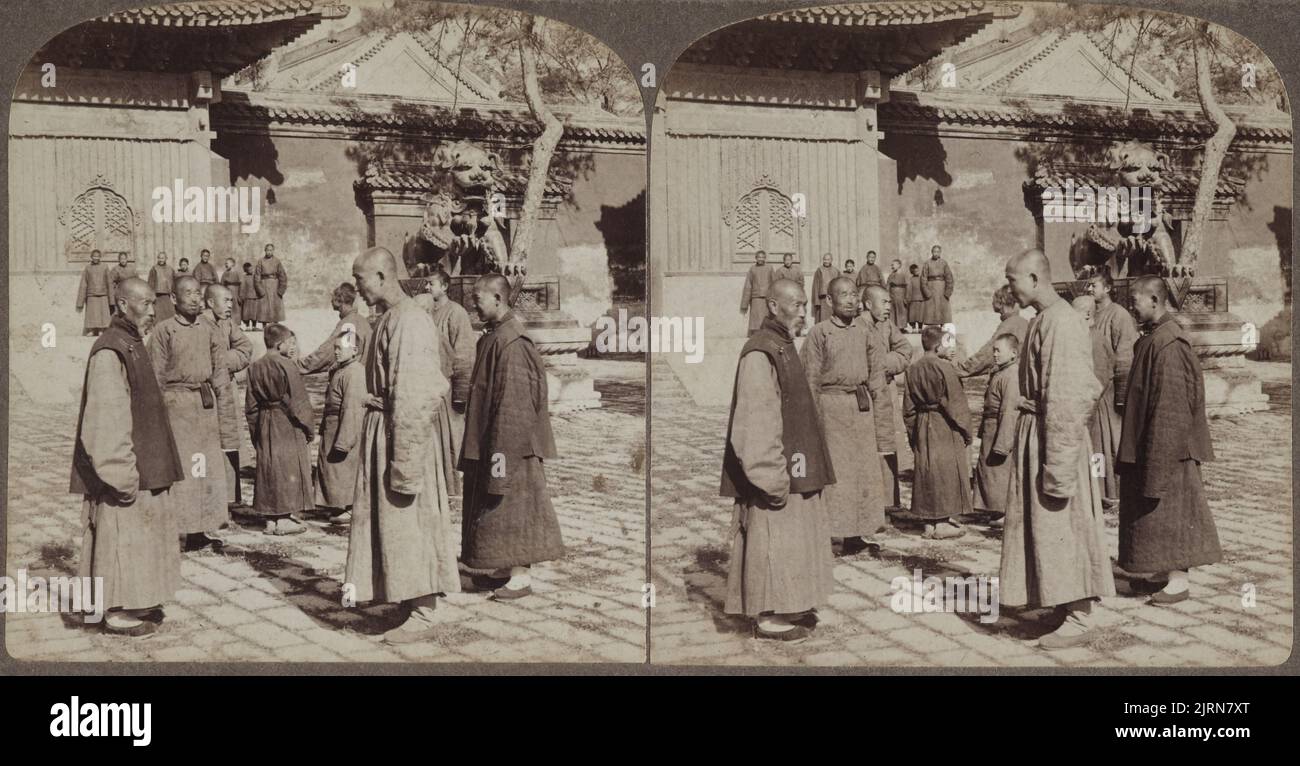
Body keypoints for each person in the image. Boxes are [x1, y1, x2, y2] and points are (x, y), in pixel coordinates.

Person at [344, 247, 460, 644]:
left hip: (401, 435)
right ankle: (408, 597)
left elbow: (412, 394)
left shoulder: (410, 321)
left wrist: (405, 461)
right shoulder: (389, 318)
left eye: (360, 279)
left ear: (379, 275)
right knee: (393, 524)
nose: (357, 288)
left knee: (409, 520)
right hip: (385, 431)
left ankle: (425, 609)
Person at [999, 249, 1114, 649]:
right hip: (1038, 434)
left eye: (1013, 279)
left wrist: (1059, 466)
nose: (1009, 287)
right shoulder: (1043, 319)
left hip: (1055, 437)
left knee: (1063, 524)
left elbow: (1068, 398)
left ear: (1033, 278)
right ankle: (1061, 602)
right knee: (1047, 529)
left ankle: (1080, 615)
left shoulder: (1061, 323)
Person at [721, 279, 835, 642]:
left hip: (795, 469)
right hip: (775, 477)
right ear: (772, 305)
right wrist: (770, 477)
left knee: (795, 541)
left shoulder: (784, 345)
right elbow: (755, 423)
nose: (803, 311)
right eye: (796, 305)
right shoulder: (760, 352)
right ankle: (769, 614)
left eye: (805, 305)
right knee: (773, 541)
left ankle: (792, 603)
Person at [70, 278, 184, 636]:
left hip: (146, 467)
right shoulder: (110, 350)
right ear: (122, 304)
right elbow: (105, 422)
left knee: (140, 539)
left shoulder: (132, 342)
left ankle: (138, 599)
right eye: (145, 303)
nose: (153, 310)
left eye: (154, 303)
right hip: (125, 475)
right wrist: (120, 475)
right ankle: (116, 611)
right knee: (119, 539)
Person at [459, 274, 566, 599]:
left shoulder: (513, 344)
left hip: (511, 447)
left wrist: (500, 458)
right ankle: (504, 567)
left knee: (514, 506)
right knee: (496, 508)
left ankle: (520, 577)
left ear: (497, 298)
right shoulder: (495, 336)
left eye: (478, 298)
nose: (473, 304)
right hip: (495, 443)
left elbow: (515, 408)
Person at [1117, 276, 1221, 603]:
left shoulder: (1170, 344)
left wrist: (1158, 457)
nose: (1131, 305)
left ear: (1154, 300)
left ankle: (1178, 581)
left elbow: (1172, 410)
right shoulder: (1154, 337)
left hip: (1170, 448)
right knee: (1155, 514)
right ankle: (1162, 572)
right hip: (1153, 443)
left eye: (1135, 299)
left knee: (1174, 513)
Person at [801, 277, 890, 554]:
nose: (850, 300)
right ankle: (828, 536)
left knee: (863, 473)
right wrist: (813, 426)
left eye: (854, 294)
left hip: (860, 408)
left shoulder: (866, 332)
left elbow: (877, 379)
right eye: (843, 295)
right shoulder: (819, 333)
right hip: (831, 409)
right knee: (836, 475)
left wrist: (883, 432)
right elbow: (810, 380)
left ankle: (856, 536)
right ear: (829, 301)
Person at [147, 275, 229, 550]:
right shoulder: (163, 330)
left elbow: (220, 374)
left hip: (205, 407)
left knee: (205, 470)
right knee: (183, 470)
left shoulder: (209, 328)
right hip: (176, 406)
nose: (194, 298)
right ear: (173, 298)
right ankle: (176, 531)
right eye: (188, 293)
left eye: (198, 293)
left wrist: (226, 421)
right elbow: (155, 377)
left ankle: (199, 531)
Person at [242, 323, 313, 535]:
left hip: (265, 420)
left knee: (269, 468)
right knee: (287, 467)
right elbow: (298, 400)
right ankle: (283, 520)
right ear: (281, 344)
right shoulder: (287, 365)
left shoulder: (254, 367)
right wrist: (309, 427)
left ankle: (270, 519)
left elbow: (251, 407)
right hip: (286, 422)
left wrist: (256, 432)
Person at [903, 325, 972, 539]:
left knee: (926, 471)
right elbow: (956, 402)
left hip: (923, 422)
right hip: (943, 423)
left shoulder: (912, 369)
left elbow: (908, 408)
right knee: (945, 471)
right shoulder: (944, 367)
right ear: (938, 346)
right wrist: (966, 430)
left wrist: (913, 432)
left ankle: (928, 523)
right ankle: (941, 523)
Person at [859, 285, 916, 513]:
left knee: (888, 442)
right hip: (866, 395)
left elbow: (905, 351)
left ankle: (890, 501)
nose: (888, 307)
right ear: (867, 304)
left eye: (890, 303)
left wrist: (885, 365)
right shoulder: (856, 327)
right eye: (884, 302)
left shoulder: (887, 326)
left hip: (887, 390)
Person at [1086, 271, 1138, 509]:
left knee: (1113, 443)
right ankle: (1098, 487)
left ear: (1107, 288)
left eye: (1094, 285)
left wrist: (1121, 396)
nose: (1089, 288)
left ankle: (1117, 489)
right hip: (1093, 392)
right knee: (1096, 445)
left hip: (1110, 392)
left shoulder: (1119, 315)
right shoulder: (1091, 314)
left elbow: (1125, 357)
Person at [202, 284, 253, 512]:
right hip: (208, 393)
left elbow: (245, 348)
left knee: (230, 441)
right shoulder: (199, 324)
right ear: (211, 303)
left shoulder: (228, 323)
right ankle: (210, 498)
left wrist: (222, 362)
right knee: (209, 443)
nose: (231, 305)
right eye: (226, 300)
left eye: (232, 300)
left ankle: (232, 497)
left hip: (227, 389)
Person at [427, 268, 476, 470]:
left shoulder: (456, 313)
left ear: (445, 287)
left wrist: (460, 394)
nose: (427, 287)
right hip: (429, 388)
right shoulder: (426, 312)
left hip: (448, 389)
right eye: (427, 283)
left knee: (452, 438)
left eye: (431, 284)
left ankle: (454, 479)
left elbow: (464, 354)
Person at [315, 331, 366, 520]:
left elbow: (351, 407)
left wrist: (344, 440)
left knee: (344, 468)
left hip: (343, 427)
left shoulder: (355, 373)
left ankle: (348, 506)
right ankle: (337, 504)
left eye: (340, 348)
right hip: (332, 427)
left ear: (354, 350)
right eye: (335, 348)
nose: (336, 352)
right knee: (333, 470)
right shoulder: (340, 370)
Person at [973, 334, 1022, 524]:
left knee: (999, 472)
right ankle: (993, 509)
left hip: (1000, 429)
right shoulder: (1000, 372)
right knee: (989, 472)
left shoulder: (1011, 376)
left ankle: (1003, 511)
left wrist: (1003, 443)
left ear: (1013, 354)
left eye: (998, 351)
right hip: (990, 429)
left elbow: (1009, 410)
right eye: (993, 350)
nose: (994, 355)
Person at [297, 283, 373, 377]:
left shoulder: (348, 323)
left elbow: (327, 353)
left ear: (339, 301)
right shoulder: (361, 321)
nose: (331, 301)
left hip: (351, 377)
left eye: (333, 298)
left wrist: (298, 366)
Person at [958, 286, 1031, 378]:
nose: (992, 303)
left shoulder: (1011, 324)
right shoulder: (1022, 322)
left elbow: (988, 354)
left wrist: (959, 370)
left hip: (1010, 377)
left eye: (994, 299)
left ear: (1001, 302)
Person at [76, 249, 113, 336]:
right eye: (94, 256)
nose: (95, 258)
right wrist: (80, 302)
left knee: (102, 313)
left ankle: (101, 330)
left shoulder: (105, 267)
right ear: (91, 257)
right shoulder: (88, 268)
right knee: (92, 313)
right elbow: (83, 284)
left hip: (103, 293)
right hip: (91, 294)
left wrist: (111, 300)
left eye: (97, 256)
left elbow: (109, 283)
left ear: (100, 257)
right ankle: (91, 330)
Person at [740, 250, 776, 336]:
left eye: (762, 257)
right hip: (755, 297)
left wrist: (774, 297)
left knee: (766, 317)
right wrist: (744, 304)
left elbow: (774, 283)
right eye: (759, 257)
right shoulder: (752, 269)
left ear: (765, 258)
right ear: (756, 258)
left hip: (766, 298)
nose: (761, 259)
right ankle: (756, 335)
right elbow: (748, 285)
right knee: (755, 319)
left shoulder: (769, 268)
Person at [919, 244, 954, 326]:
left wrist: (948, 291)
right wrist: (926, 292)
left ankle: (943, 328)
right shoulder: (927, 263)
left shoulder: (944, 263)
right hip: (931, 288)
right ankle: (932, 328)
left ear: (940, 253)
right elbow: (923, 279)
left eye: (938, 252)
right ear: (932, 252)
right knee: (931, 310)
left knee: (943, 311)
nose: (936, 253)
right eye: (934, 252)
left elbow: (949, 278)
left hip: (942, 288)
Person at [253, 243, 288, 325]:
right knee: (264, 306)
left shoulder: (277, 261)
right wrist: (260, 289)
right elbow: (257, 276)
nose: (269, 252)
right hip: (264, 284)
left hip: (275, 285)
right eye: (267, 250)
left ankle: (276, 324)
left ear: (273, 251)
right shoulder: (261, 261)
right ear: (265, 251)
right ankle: (264, 325)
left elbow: (282, 275)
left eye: (271, 250)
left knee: (275, 304)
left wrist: (281, 289)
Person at [810, 253, 840, 325]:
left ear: (831, 260)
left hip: (833, 298)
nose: (826, 261)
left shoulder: (836, 271)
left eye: (828, 259)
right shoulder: (819, 270)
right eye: (825, 259)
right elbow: (816, 286)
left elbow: (839, 284)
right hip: (823, 299)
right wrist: (816, 301)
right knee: (822, 319)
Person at [148, 252, 177, 322]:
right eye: (159, 258)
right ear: (157, 259)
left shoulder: (170, 269)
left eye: (162, 258)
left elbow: (174, 282)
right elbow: (150, 283)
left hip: (167, 296)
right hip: (157, 296)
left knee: (170, 314)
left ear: (166, 259)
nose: (161, 260)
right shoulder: (154, 269)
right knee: (158, 316)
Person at [220, 258, 244, 327]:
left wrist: (240, 294)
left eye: (227, 263)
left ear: (233, 264)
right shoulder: (225, 273)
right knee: (228, 307)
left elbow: (242, 284)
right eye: (225, 263)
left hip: (235, 292)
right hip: (227, 292)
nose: (226, 265)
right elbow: (222, 284)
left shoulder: (238, 272)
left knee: (236, 308)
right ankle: (228, 324)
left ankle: (236, 324)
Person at [886, 259, 908, 331]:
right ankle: (893, 327)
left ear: (899, 265)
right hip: (892, 295)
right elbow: (888, 285)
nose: (892, 266)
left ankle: (901, 327)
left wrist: (906, 297)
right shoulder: (891, 275)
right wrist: (887, 295)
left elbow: (908, 286)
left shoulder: (904, 274)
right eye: (891, 265)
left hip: (901, 294)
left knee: (901, 310)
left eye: (893, 265)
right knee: (892, 311)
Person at [905, 263, 925, 332]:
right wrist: (908, 299)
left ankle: (920, 328)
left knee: (920, 315)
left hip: (921, 299)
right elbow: (909, 290)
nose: (917, 271)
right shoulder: (910, 279)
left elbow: (925, 288)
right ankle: (913, 328)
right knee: (912, 315)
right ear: (912, 272)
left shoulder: (922, 278)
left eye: (917, 270)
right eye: (915, 271)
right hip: (913, 299)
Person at [239, 262, 258, 330]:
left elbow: (258, 285)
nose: (251, 270)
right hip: (247, 297)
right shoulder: (244, 277)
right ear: (246, 270)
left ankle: (254, 326)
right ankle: (247, 326)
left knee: (254, 312)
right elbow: (242, 287)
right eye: (249, 269)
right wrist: (241, 296)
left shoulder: (255, 276)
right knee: (246, 312)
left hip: (254, 296)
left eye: (252, 269)